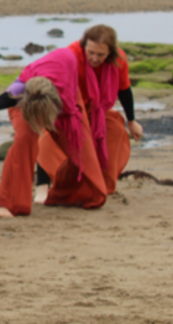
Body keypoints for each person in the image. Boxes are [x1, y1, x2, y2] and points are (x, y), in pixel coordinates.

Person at [35, 25, 141, 200]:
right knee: (49, 135)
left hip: (97, 107)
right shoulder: (71, 55)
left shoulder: (118, 59)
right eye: (91, 52)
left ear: (110, 52)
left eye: (100, 54)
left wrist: (132, 121)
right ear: (84, 46)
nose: (94, 58)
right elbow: (53, 86)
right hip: (67, 104)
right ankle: (42, 186)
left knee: (114, 128)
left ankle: (101, 184)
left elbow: (124, 90)